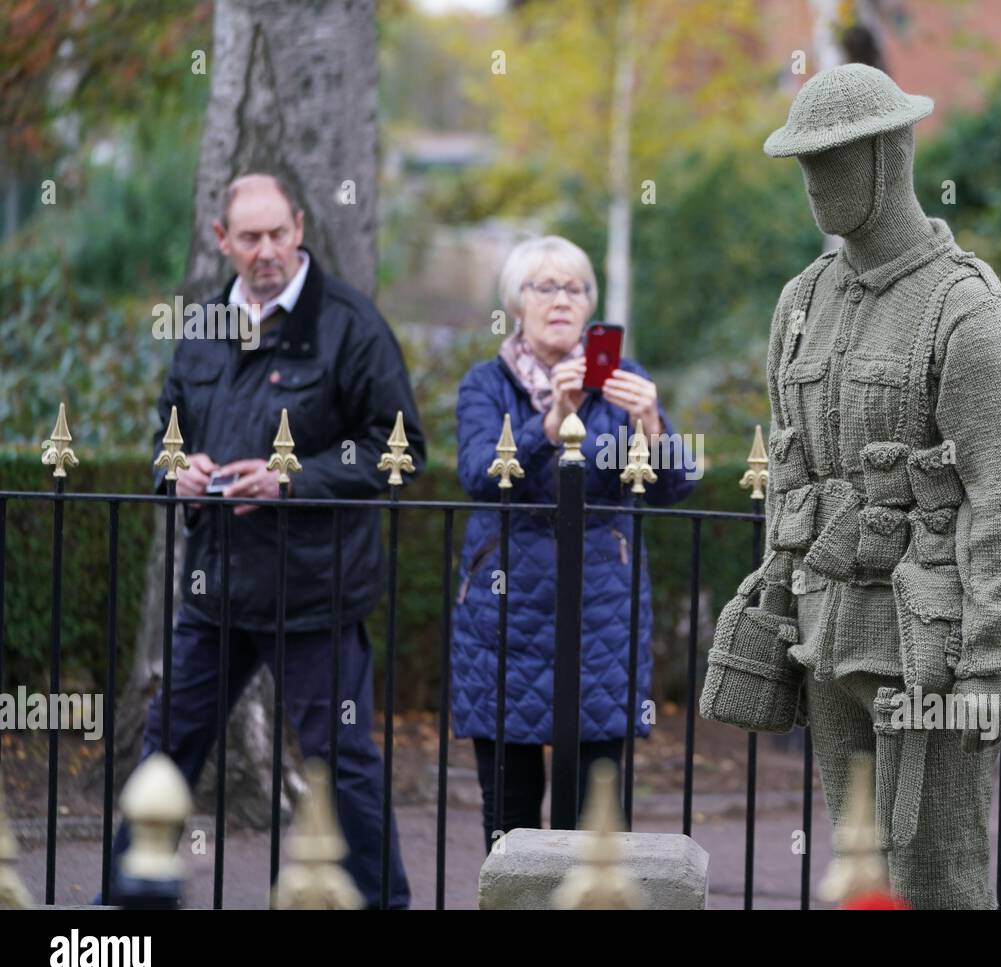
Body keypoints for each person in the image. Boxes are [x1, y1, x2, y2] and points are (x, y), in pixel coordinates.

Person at [701, 65, 1001, 909]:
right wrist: (775, 595)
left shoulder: (962, 307)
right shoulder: (802, 301)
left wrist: (991, 661)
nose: (814, 185)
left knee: (936, 880)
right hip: (828, 637)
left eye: (832, 161)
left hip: (929, 654)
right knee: (859, 877)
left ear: (889, 158)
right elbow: (793, 476)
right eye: (804, 164)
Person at [106, 173, 425, 908]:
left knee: (340, 762)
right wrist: (176, 471)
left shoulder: (350, 322)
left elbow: (400, 447)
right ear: (223, 241)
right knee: (165, 749)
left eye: (279, 232)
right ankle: (125, 904)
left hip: (314, 590)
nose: (267, 250)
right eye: (249, 237)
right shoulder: (204, 323)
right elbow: (168, 435)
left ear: (301, 227)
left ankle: (381, 903)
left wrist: (293, 480)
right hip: (216, 587)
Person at [452, 235, 696, 853]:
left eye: (575, 288)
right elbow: (480, 475)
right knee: (509, 818)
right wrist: (546, 427)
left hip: (600, 612)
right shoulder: (487, 384)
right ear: (516, 303)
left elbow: (672, 489)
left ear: (591, 304)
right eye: (544, 287)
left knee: (593, 818)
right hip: (504, 613)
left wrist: (653, 424)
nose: (561, 299)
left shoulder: (625, 380)